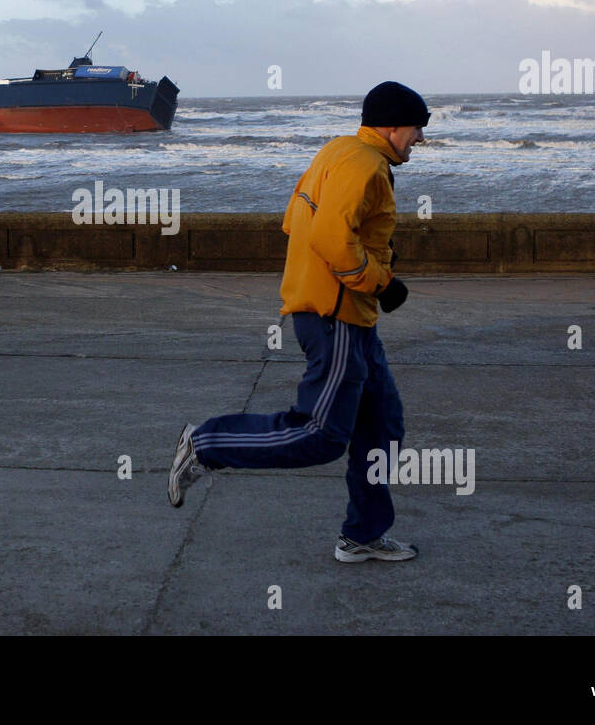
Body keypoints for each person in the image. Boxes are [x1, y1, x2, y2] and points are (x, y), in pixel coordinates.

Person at [168, 81, 430, 563]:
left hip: (348, 316)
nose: (420, 139)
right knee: (321, 434)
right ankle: (204, 443)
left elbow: (294, 219)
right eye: (417, 129)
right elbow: (332, 239)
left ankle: (363, 534)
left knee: (382, 427)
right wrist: (380, 282)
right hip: (336, 316)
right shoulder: (366, 164)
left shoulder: (339, 150)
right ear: (393, 126)